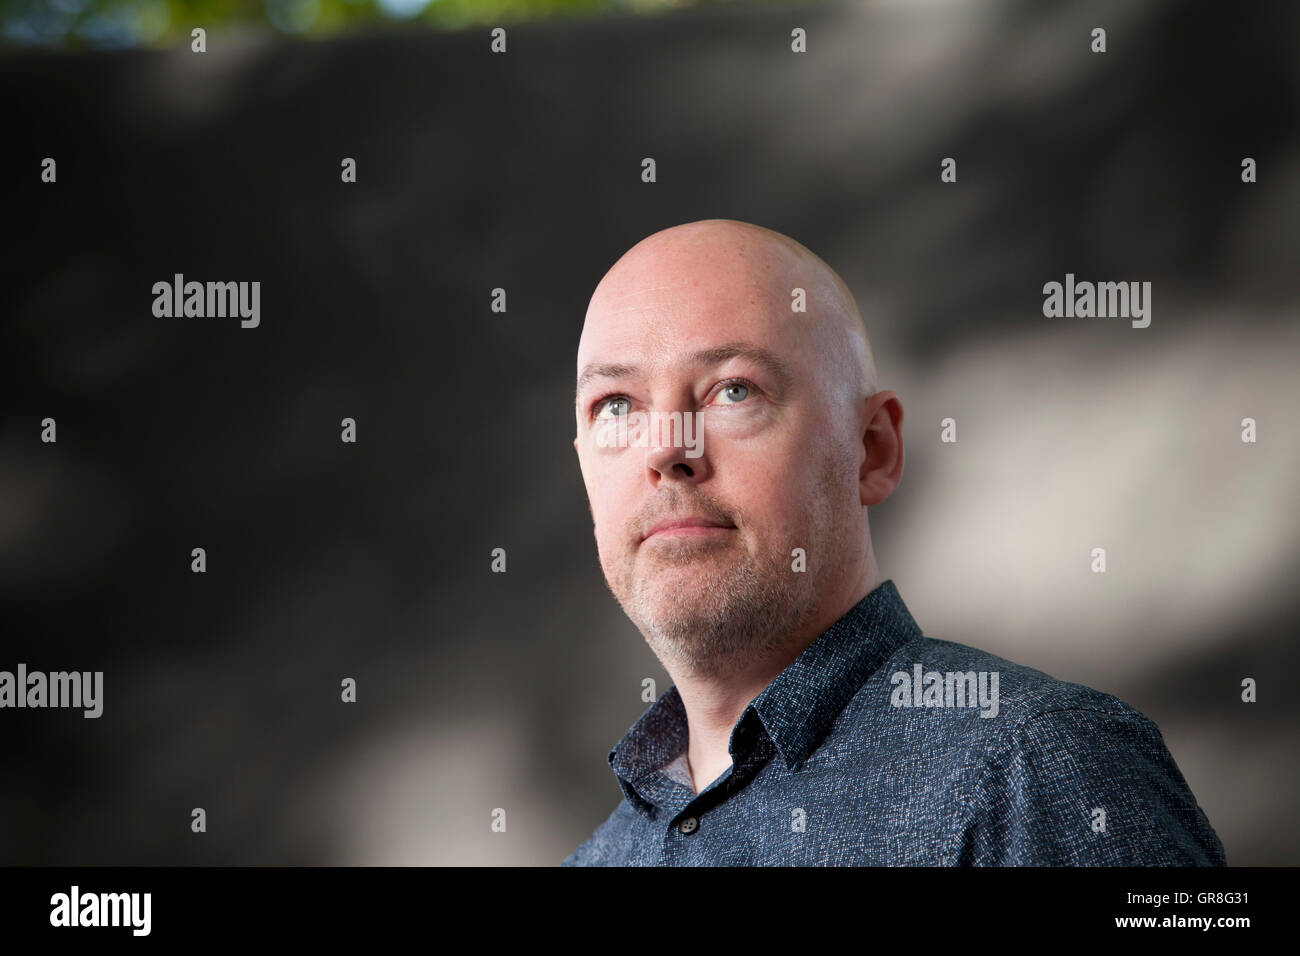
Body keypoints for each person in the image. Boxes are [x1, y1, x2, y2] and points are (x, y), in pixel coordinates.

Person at [564, 218, 1225, 865]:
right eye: (616, 405)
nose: (667, 450)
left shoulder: (1039, 770)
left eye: (733, 391)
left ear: (872, 449)